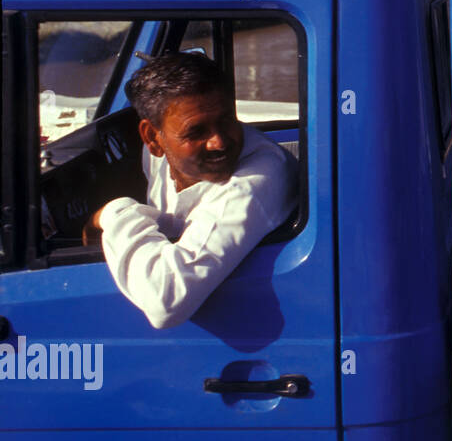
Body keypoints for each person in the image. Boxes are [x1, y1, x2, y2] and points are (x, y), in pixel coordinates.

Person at [82, 52, 298, 329]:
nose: (219, 142)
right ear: (152, 138)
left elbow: (165, 301)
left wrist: (116, 212)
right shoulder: (158, 155)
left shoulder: (255, 182)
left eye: (226, 120)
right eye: (196, 132)